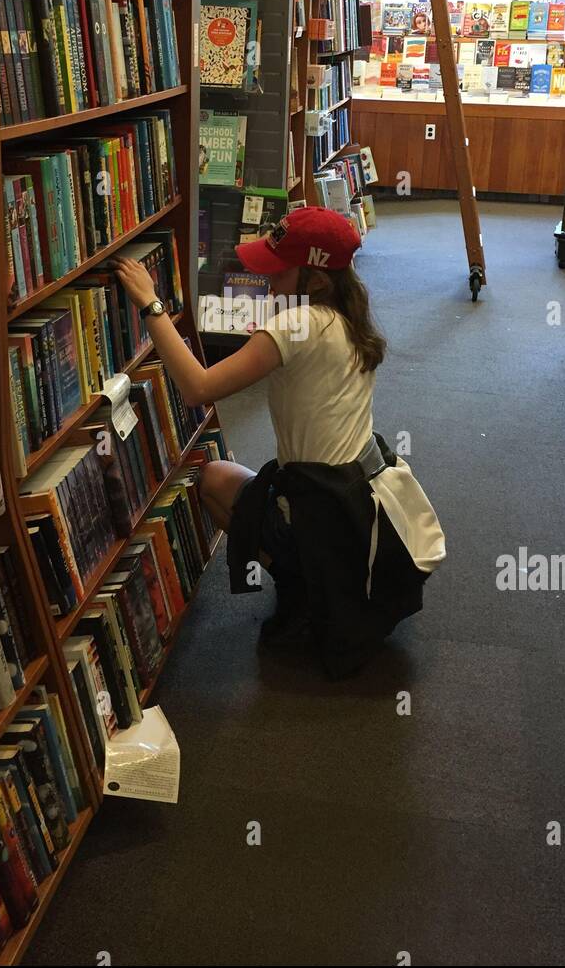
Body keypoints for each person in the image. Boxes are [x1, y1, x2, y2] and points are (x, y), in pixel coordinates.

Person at [114, 205, 446, 677]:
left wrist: (151, 305)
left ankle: (305, 583)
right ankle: (319, 579)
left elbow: (197, 388)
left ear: (314, 280)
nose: (267, 278)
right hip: (362, 503)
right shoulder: (350, 317)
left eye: (279, 268)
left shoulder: (297, 327)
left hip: (324, 511)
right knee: (246, 479)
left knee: (212, 478)